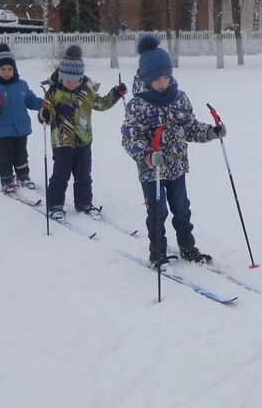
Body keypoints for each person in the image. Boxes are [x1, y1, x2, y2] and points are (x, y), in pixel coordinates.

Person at [120, 35, 225, 266]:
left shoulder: (179, 98)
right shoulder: (138, 105)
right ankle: (157, 253)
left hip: (177, 167)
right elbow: (130, 137)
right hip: (153, 171)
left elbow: (189, 127)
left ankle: (188, 247)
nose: (163, 82)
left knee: (182, 209)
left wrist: (210, 132)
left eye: (166, 76)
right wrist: (147, 156)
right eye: (157, 78)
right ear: (147, 77)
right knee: (158, 212)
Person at [39, 45, 125, 218]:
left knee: (84, 176)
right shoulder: (54, 93)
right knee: (60, 176)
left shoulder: (87, 91)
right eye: (67, 80)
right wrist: (46, 115)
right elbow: (47, 112)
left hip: (84, 141)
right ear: (61, 77)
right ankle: (55, 205)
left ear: (81, 77)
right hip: (62, 141)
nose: (71, 84)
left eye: (75, 80)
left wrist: (116, 93)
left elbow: (102, 104)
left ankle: (84, 202)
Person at [0, 43, 44, 192]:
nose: (7, 72)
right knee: (6, 156)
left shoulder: (21, 85)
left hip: (21, 128)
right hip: (3, 130)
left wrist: (43, 104)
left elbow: (30, 100)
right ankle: (7, 179)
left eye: (10, 69)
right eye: (3, 69)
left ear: (14, 69)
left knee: (22, 154)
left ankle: (23, 176)